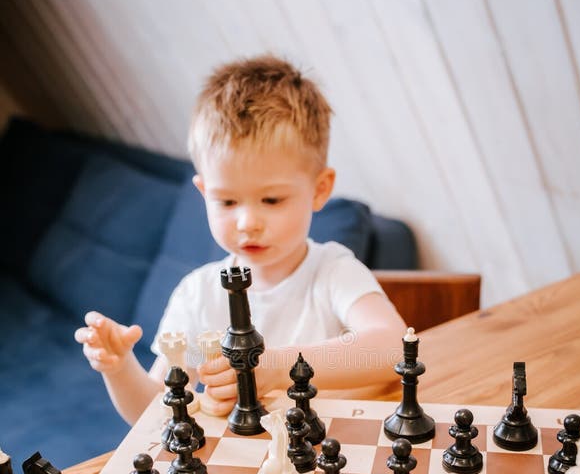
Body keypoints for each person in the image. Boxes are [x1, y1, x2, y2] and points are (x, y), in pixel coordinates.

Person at [75, 55, 406, 424]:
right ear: (204, 193)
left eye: (272, 200)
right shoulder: (197, 294)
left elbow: (393, 347)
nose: (247, 223)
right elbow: (156, 415)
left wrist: (277, 368)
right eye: (228, 202)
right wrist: (119, 368)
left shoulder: (332, 271)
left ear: (319, 189)